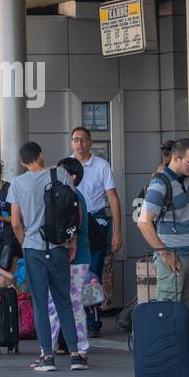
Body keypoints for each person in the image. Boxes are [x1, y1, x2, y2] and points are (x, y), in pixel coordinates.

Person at [8, 141, 85, 372]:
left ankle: (47, 357)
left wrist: (26, 245)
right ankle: (75, 355)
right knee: (63, 300)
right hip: (59, 246)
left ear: (22, 162)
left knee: (40, 303)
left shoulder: (17, 184)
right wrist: (71, 241)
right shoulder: (60, 173)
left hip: (34, 248)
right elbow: (75, 209)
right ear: (41, 155)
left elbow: (15, 222)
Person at [137, 138, 189, 313]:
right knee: (169, 310)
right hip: (172, 256)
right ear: (175, 158)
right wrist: (163, 252)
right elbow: (144, 223)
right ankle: (170, 341)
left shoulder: (188, 178)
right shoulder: (159, 184)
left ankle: (186, 340)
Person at [68, 127, 122, 334]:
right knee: (73, 273)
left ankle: (92, 322)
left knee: (93, 274)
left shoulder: (101, 165)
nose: (79, 143)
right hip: (72, 223)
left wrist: (117, 231)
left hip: (96, 221)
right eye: (75, 140)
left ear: (90, 142)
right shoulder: (66, 165)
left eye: (83, 140)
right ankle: (74, 320)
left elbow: (113, 199)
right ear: (71, 143)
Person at [50, 156, 92, 364]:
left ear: (72, 176)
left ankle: (79, 348)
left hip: (75, 255)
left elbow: (76, 223)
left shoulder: (74, 195)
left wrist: (71, 245)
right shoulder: (64, 194)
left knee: (70, 303)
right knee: (61, 303)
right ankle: (51, 348)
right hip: (67, 254)